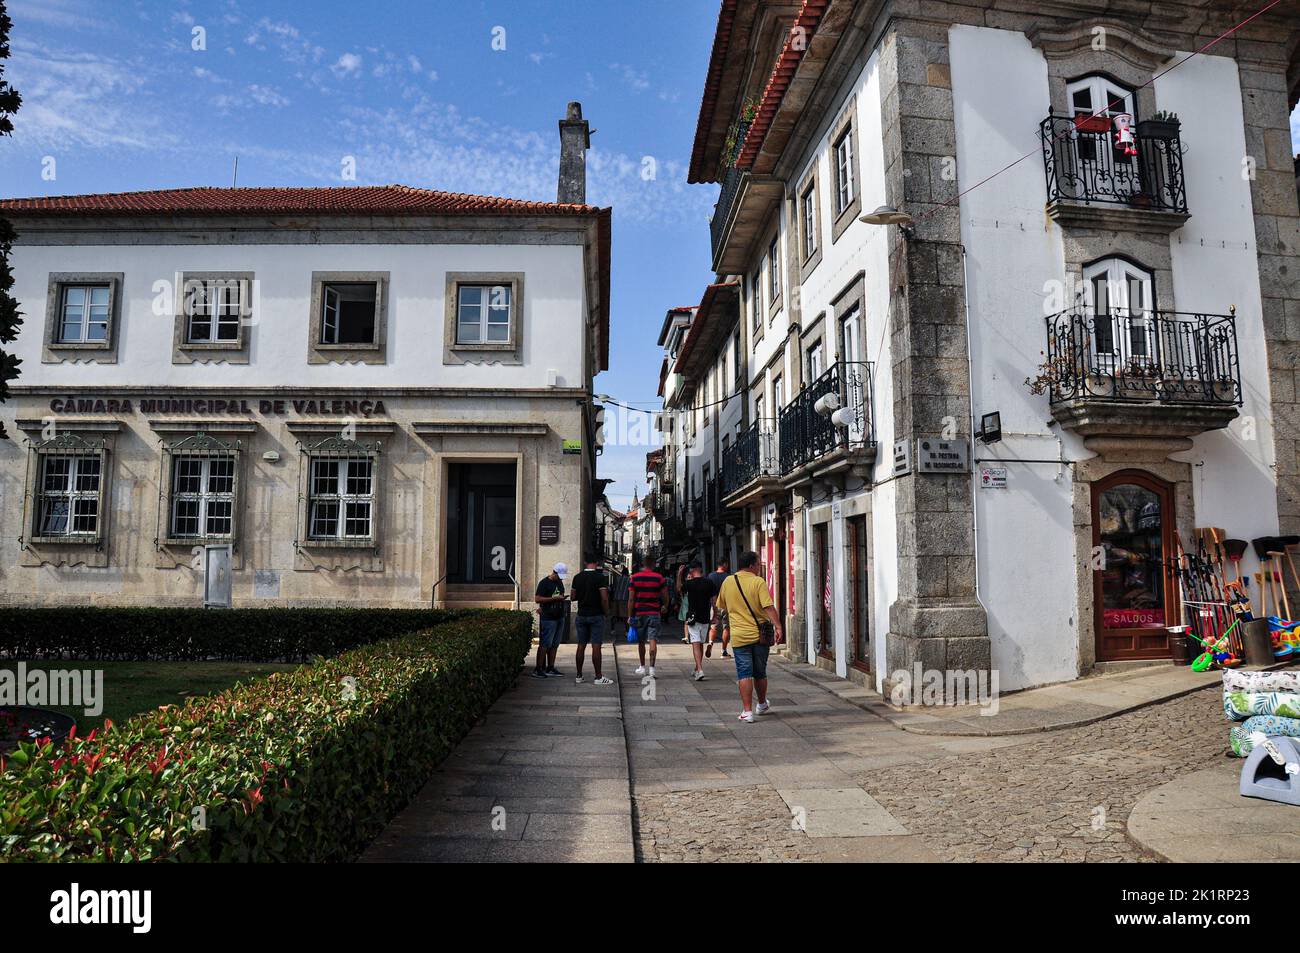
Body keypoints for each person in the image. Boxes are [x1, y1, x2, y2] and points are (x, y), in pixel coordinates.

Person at [714, 550, 783, 723]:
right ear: (751, 565)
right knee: (760, 672)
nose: (760, 568)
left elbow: (721, 606)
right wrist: (778, 626)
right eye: (758, 565)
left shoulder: (728, 581)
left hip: (738, 636)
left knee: (744, 673)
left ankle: (747, 712)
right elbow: (768, 607)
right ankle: (761, 704)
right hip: (760, 636)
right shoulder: (758, 582)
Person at [570, 555, 614, 685]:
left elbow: (573, 597)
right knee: (596, 646)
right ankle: (598, 677)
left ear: (584, 562)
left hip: (582, 614)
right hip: (596, 614)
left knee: (581, 645)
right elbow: (604, 598)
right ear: (596, 563)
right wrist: (607, 612)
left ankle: (579, 676)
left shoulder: (577, 577)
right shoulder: (600, 577)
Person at [628, 555, 668, 677]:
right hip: (654, 613)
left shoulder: (634, 578)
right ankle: (652, 669)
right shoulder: (659, 578)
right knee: (653, 640)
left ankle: (642, 667)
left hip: (639, 613)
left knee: (641, 641)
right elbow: (665, 595)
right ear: (654, 564)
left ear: (643, 564)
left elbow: (631, 599)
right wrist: (665, 605)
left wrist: (630, 615)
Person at [680, 562, 716, 681]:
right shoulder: (709, 582)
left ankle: (700, 669)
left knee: (695, 643)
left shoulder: (689, 583)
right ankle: (697, 668)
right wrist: (715, 614)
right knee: (700, 643)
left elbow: (678, 589)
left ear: (693, 570)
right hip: (705, 616)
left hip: (692, 617)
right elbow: (714, 601)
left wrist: (679, 574)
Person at [533, 563, 568, 678]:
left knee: (554, 644)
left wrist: (562, 598)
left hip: (559, 616)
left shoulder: (559, 582)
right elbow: (537, 599)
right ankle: (538, 668)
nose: (560, 578)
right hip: (548, 618)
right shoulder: (544, 583)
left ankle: (550, 667)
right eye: (559, 576)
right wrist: (554, 598)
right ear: (555, 572)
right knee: (545, 644)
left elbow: (560, 594)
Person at [706, 558, 732, 659]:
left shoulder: (710, 576)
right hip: (726, 605)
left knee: (713, 626)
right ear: (724, 564)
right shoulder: (728, 577)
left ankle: (710, 642)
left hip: (714, 605)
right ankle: (724, 651)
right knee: (726, 627)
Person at [609, 563, 632, 639]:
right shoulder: (629, 580)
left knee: (614, 615)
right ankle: (626, 631)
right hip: (624, 599)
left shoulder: (617, 579)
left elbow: (613, 588)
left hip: (615, 599)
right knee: (625, 616)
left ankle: (612, 629)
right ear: (627, 573)